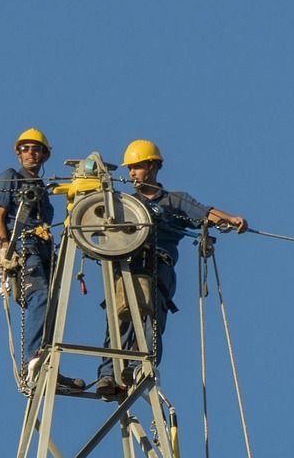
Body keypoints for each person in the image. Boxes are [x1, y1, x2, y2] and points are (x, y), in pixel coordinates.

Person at [95, 139, 248, 399]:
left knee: (150, 319)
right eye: (130, 168)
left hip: (159, 266)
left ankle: (139, 367)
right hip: (128, 265)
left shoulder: (174, 200)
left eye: (137, 167)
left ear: (153, 166)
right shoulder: (125, 203)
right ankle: (109, 375)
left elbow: (204, 213)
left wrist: (230, 219)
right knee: (120, 320)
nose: (132, 173)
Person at [0, 128, 82, 393]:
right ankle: (33, 360)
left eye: (36, 149)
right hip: (24, 245)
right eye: (25, 149)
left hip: (44, 249)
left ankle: (49, 366)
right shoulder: (11, 176)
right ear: (18, 153)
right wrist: (4, 247)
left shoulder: (42, 188)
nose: (30, 153)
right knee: (40, 297)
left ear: (44, 155)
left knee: (53, 307)